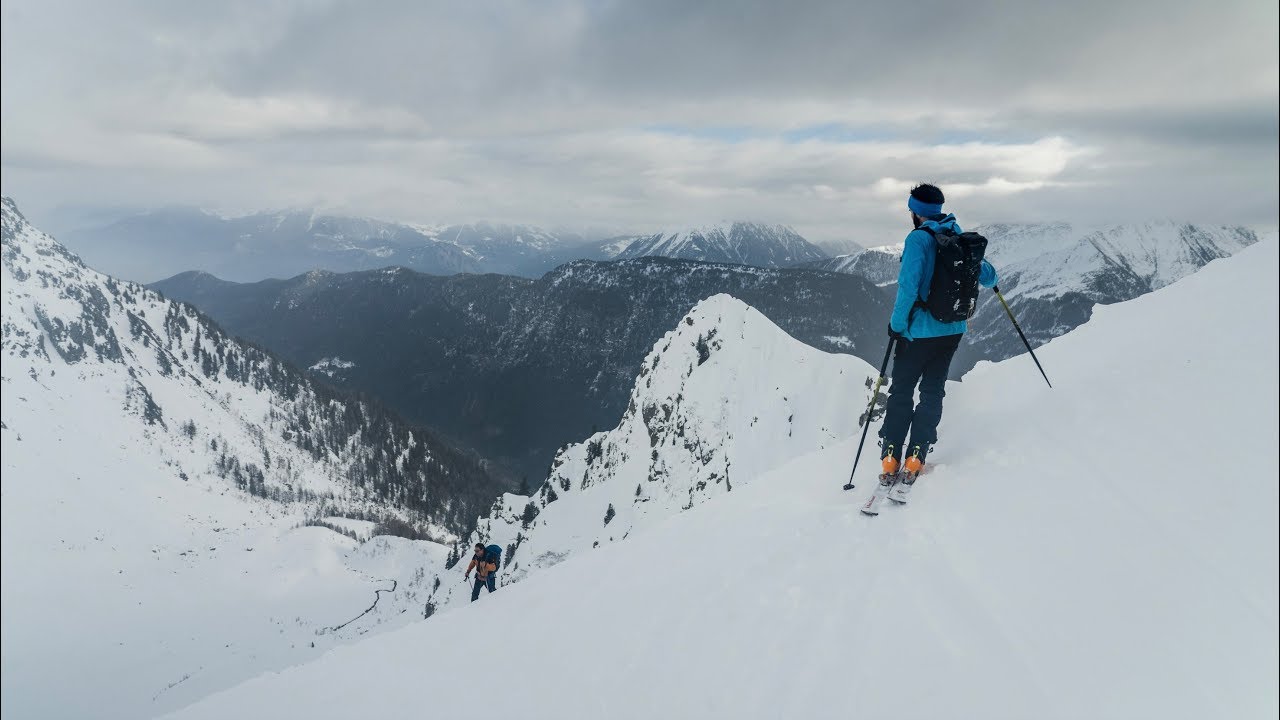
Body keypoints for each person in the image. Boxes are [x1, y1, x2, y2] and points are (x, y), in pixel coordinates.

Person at [867, 183, 998, 511]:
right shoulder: (958, 236)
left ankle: (891, 456)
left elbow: (908, 287)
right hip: (952, 331)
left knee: (901, 392)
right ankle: (916, 456)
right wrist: (990, 279)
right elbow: (988, 275)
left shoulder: (919, 239)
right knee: (932, 392)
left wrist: (896, 326)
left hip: (918, 333)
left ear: (914, 211)